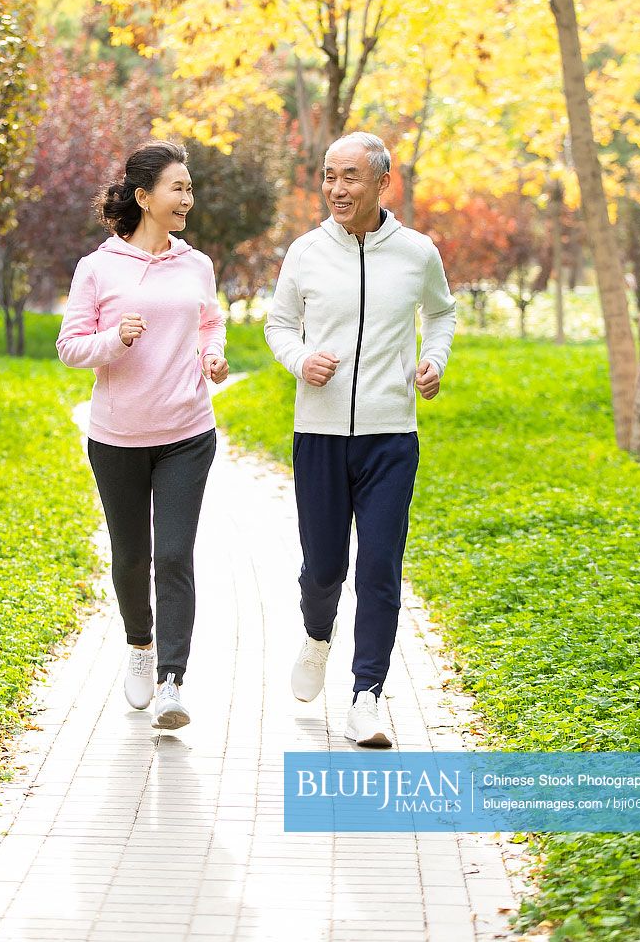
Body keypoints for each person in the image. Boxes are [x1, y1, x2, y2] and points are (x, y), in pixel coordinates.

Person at [265, 131, 456, 748]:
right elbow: (279, 322)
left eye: (349, 177)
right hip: (318, 433)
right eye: (328, 176)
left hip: (390, 436)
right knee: (323, 567)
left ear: (381, 182)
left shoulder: (418, 252)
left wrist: (434, 360)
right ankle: (318, 635)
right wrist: (299, 360)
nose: (336, 189)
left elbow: (443, 312)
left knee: (379, 566)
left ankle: (366, 696)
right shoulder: (305, 252)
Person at [56, 140, 228, 731]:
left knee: (174, 555)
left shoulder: (197, 264)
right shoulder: (98, 267)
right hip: (117, 439)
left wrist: (213, 355)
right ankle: (139, 646)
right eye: (177, 188)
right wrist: (114, 341)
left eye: (189, 188)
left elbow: (211, 320)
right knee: (131, 559)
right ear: (143, 196)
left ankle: (171, 681)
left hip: (187, 432)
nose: (188, 198)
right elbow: (70, 345)